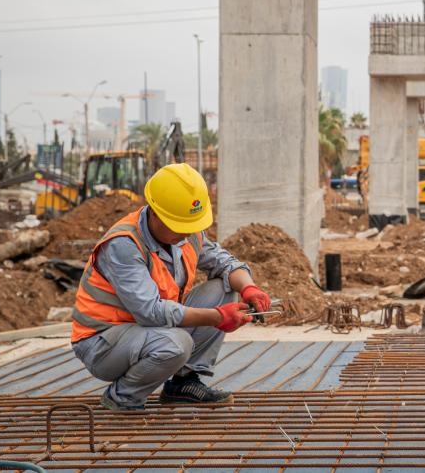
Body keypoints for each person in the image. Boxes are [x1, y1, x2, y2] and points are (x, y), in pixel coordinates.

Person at [71, 163, 273, 412]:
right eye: (181, 226)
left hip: (147, 330)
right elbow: (150, 311)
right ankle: (122, 397)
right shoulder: (124, 244)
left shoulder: (189, 233)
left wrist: (250, 288)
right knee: (176, 344)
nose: (188, 233)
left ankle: (183, 384)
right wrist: (217, 317)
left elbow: (225, 264)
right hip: (103, 342)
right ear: (155, 213)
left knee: (225, 289)